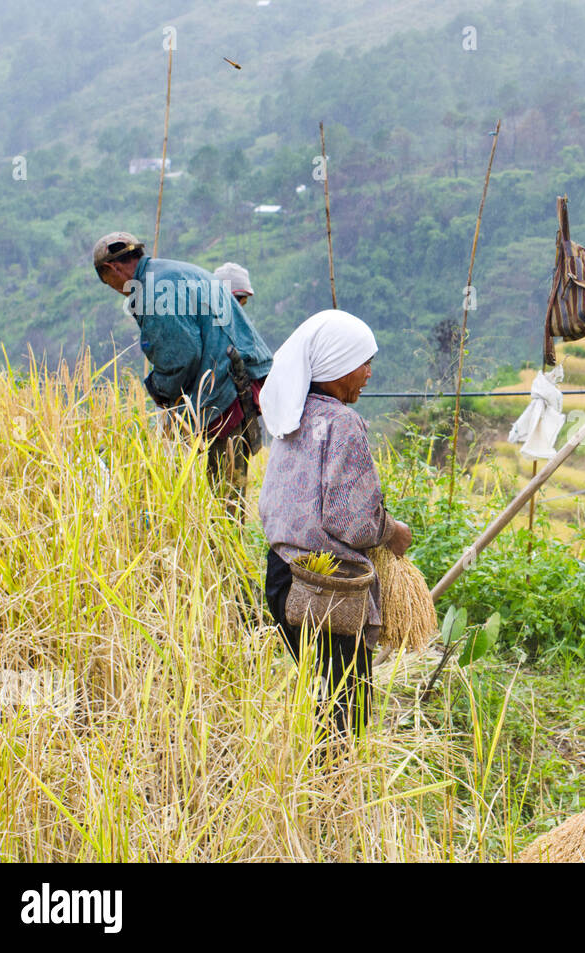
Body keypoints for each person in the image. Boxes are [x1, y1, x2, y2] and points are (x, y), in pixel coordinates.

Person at [258, 310, 412, 738]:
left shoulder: (296, 413)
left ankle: (309, 790)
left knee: (319, 694)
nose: (367, 374)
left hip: (282, 576)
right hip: (326, 591)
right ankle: (336, 795)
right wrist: (392, 531)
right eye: (362, 363)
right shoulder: (342, 424)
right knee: (347, 706)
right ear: (336, 366)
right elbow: (353, 522)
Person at [92, 232, 272, 512]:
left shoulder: (153, 290)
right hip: (238, 377)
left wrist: (158, 389)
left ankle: (221, 552)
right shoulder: (170, 271)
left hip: (225, 388)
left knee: (224, 495)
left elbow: (181, 356)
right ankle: (221, 546)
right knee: (227, 485)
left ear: (112, 269)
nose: (118, 290)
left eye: (111, 285)